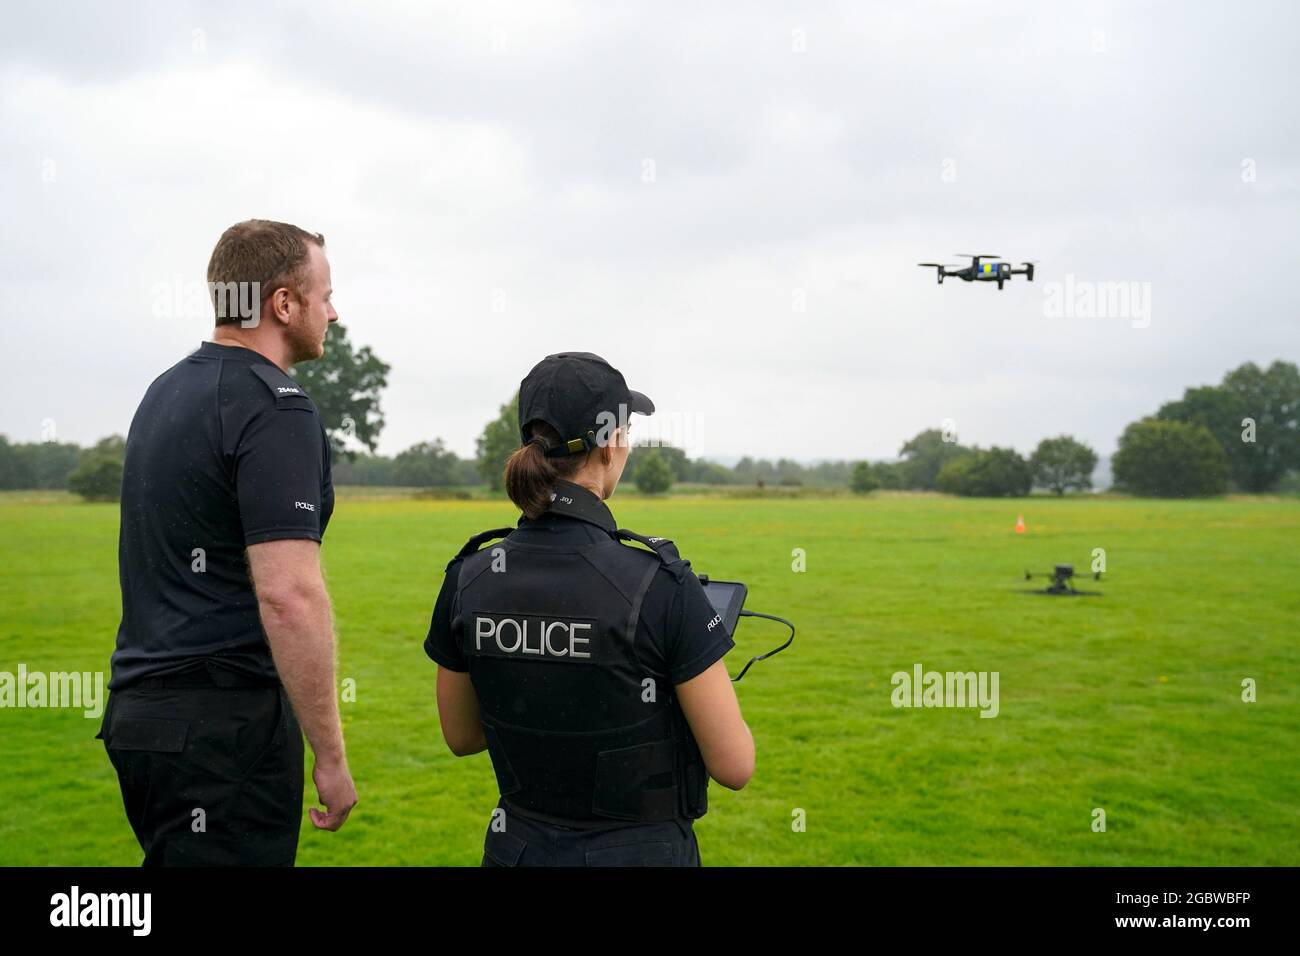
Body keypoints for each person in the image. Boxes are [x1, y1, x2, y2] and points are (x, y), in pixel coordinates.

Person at [424, 352, 755, 866]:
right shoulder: (662, 584)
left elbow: (462, 737)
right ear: (610, 444)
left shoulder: (470, 576)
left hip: (518, 850)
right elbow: (734, 765)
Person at [98, 219, 358, 866]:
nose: (335, 310)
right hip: (225, 733)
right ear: (284, 304)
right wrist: (330, 754)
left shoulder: (164, 393)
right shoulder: (275, 406)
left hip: (142, 720)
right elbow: (290, 595)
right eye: (324, 293)